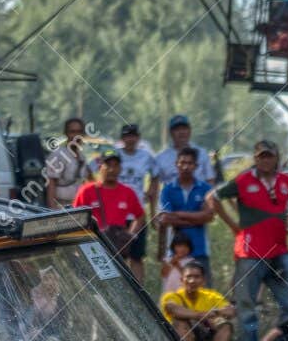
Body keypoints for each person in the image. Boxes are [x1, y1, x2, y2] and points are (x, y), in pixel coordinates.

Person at [211, 139, 288, 341]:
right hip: (250, 251)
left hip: (279, 251)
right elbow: (213, 197)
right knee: (247, 302)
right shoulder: (243, 180)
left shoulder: (286, 181)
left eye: (269, 156)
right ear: (255, 158)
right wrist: (233, 225)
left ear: (277, 157)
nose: (265, 160)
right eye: (261, 156)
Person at [72, 152, 145, 276]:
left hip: (118, 249)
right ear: (100, 166)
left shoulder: (127, 192)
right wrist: (78, 243)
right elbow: (74, 218)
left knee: (118, 282)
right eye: (108, 165)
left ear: (120, 168)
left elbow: (140, 215)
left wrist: (130, 235)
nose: (112, 169)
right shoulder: (86, 191)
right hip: (92, 247)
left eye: (116, 165)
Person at [159, 259, 232, 341]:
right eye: (189, 276)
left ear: (203, 280)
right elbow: (173, 308)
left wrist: (216, 313)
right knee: (180, 322)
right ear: (182, 279)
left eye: (197, 277)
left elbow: (230, 311)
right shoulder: (172, 296)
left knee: (224, 324)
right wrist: (203, 315)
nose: (192, 280)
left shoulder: (211, 296)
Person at [157, 148, 214, 278]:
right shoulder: (167, 189)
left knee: (203, 292)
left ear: (196, 166)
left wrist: (178, 214)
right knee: (174, 292)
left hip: (199, 249)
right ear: (176, 164)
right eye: (182, 162)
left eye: (190, 163)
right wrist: (197, 218)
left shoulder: (206, 189)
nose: (186, 166)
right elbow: (165, 218)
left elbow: (209, 216)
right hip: (174, 251)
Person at [152, 114, 214, 189]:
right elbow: (155, 185)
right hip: (172, 199)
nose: (181, 132)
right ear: (171, 133)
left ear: (190, 130)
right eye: (177, 129)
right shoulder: (161, 158)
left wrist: (209, 198)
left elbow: (210, 180)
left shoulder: (202, 153)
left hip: (199, 198)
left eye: (184, 129)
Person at [43, 116, 90, 207]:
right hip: (61, 206)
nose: (76, 136)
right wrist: (53, 212)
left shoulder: (82, 157)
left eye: (79, 132)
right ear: (66, 133)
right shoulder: (58, 155)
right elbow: (51, 185)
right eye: (72, 132)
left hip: (78, 206)